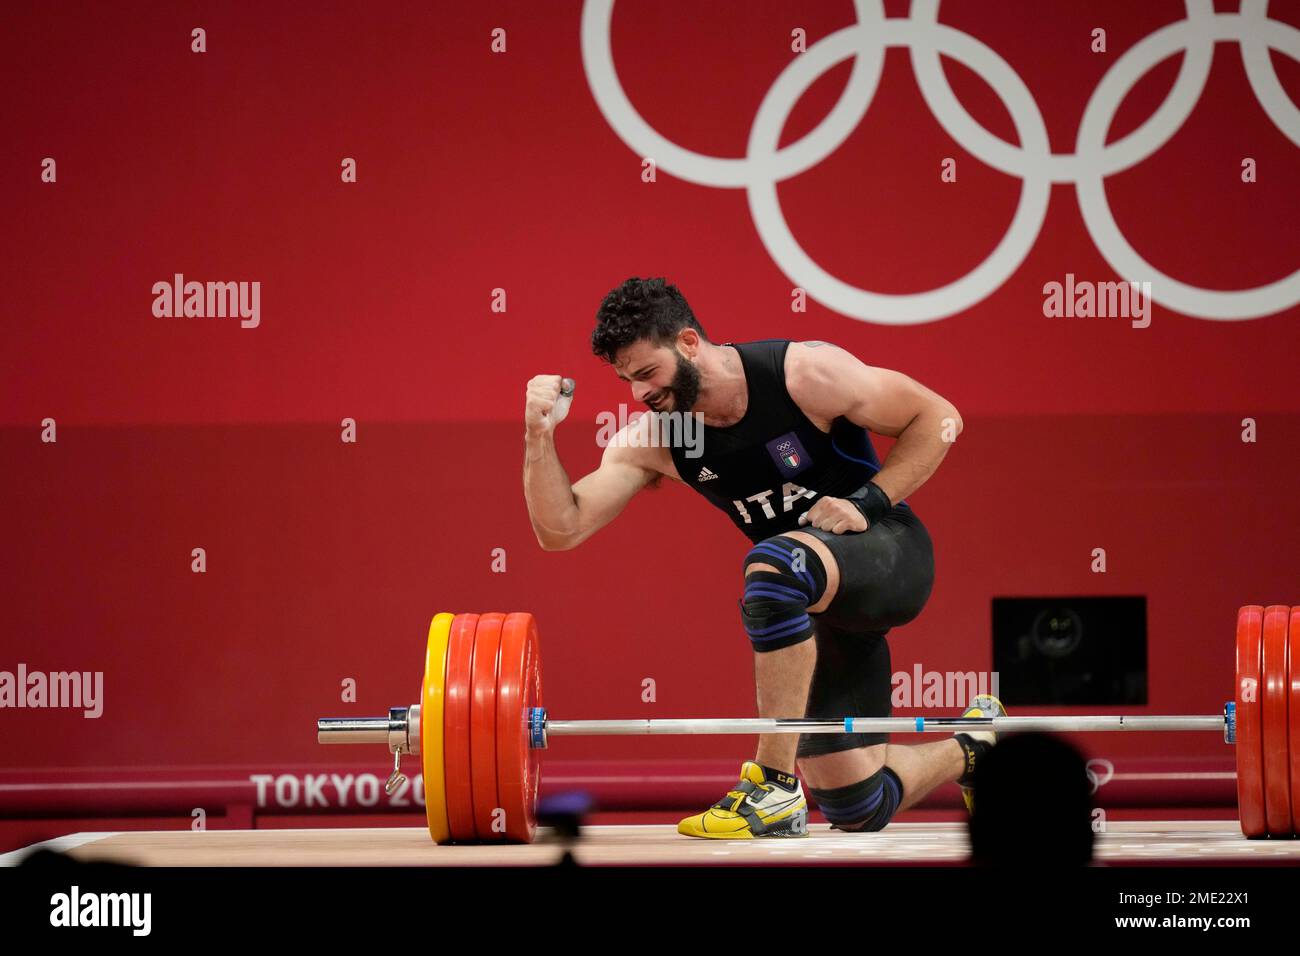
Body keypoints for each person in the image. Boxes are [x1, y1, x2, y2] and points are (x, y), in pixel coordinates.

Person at [523, 277, 1003, 838]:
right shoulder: (656, 438)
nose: (638, 394)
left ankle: (774, 784)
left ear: (687, 342)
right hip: (813, 601)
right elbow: (562, 529)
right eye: (626, 381)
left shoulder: (802, 374)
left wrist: (866, 502)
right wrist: (538, 438)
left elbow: (941, 417)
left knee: (772, 569)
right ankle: (977, 746)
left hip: (890, 555)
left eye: (647, 373)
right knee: (857, 802)